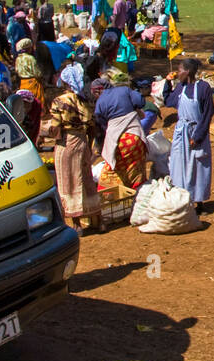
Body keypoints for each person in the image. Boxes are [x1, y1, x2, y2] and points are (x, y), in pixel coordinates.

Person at [50, 86, 102, 233]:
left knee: (69, 182)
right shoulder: (84, 100)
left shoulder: (59, 102)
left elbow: (56, 128)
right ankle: (99, 221)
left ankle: (77, 224)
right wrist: (88, 144)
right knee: (87, 180)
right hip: (82, 142)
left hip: (66, 143)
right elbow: (92, 127)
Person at [164, 58, 214, 204]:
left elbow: (207, 113)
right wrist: (167, 83)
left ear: (188, 72)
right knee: (178, 164)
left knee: (197, 167)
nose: (177, 73)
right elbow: (168, 101)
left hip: (196, 131)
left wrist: (197, 136)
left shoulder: (203, 88)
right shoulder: (181, 87)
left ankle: (198, 201)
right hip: (181, 133)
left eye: (180, 71)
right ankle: (183, 200)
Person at [95, 69, 150, 189]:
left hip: (116, 142)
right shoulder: (125, 90)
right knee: (136, 173)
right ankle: (136, 196)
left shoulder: (102, 98)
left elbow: (99, 118)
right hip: (134, 139)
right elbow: (140, 102)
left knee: (113, 174)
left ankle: (112, 198)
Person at [13, 39, 45, 144]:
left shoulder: (18, 59)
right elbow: (37, 73)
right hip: (32, 82)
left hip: (23, 83)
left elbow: (17, 71)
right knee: (35, 106)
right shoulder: (30, 58)